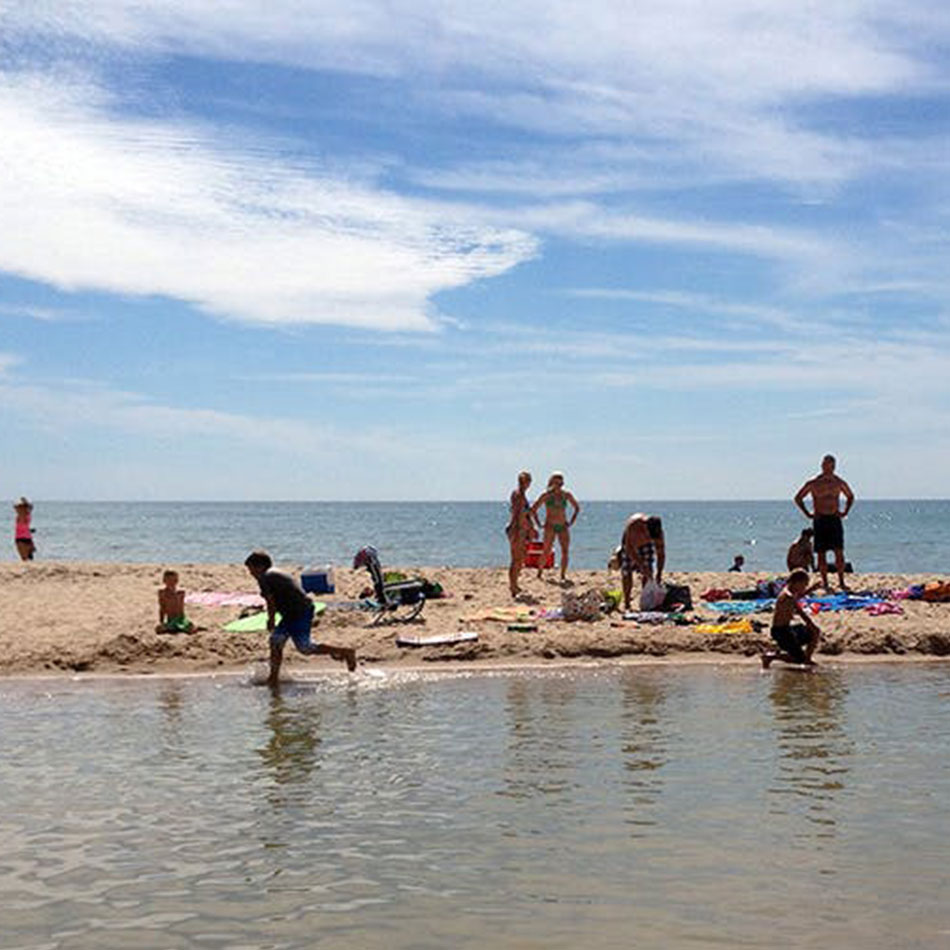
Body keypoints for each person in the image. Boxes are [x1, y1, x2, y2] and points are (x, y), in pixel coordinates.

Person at [244, 550, 356, 687]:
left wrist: (271, 620)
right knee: (275, 641)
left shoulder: (265, 577)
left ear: (260, 567)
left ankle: (346, 652)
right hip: (292, 613)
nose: (251, 574)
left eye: (251, 569)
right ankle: (273, 678)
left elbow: (270, 601)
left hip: (300, 612)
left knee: (305, 647)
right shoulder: (273, 573)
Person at [794, 455, 855, 591]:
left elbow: (850, 496)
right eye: (826, 464)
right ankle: (825, 582)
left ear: (834, 466)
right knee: (821, 553)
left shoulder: (838, 483)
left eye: (831, 465)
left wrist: (845, 511)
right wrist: (807, 513)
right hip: (820, 519)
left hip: (834, 519)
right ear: (822, 465)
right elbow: (798, 498)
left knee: (839, 552)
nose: (829, 467)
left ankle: (841, 581)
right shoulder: (814, 483)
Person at [761, 568, 821, 669]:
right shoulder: (787, 596)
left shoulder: (790, 591)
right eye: (804, 584)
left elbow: (797, 597)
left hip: (787, 629)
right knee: (798, 659)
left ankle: (807, 659)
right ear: (797, 582)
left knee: (814, 632)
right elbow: (801, 613)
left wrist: (811, 589)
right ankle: (770, 657)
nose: (804, 587)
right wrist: (811, 625)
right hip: (781, 632)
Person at [529, 472, 580, 583]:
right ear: (551, 482)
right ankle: (540, 572)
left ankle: (562, 575)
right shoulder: (546, 496)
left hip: (563, 526)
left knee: (565, 551)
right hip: (550, 526)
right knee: (546, 551)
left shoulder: (566, 495)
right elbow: (533, 510)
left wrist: (571, 522)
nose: (558, 484)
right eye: (556, 481)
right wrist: (538, 524)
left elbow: (577, 507)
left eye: (560, 482)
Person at [619, 513, 666, 611]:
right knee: (627, 573)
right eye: (647, 535)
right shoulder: (634, 525)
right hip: (630, 546)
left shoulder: (657, 532)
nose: (648, 537)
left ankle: (646, 600)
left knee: (648, 572)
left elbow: (661, 554)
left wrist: (659, 573)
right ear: (645, 525)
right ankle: (627, 602)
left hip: (646, 546)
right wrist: (641, 565)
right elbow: (629, 549)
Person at [505, 470, 538, 597]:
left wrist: (530, 528)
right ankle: (513, 586)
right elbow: (519, 515)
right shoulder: (518, 495)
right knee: (516, 559)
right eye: (526, 481)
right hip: (517, 530)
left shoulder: (521, 495)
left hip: (521, 530)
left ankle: (515, 584)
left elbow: (524, 515)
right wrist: (526, 529)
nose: (527, 484)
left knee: (521, 559)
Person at [156, 569, 196, 634]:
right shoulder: (162, 593)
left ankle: (180, 628)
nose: (172, 583)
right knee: (159, 629)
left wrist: (183, 619)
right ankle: (174, 628)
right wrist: (161, 621)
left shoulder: (180, 593)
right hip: (171, 619)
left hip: (181, 619)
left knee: (189, 627)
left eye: (174, 580)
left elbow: (181, 609)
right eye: (169, 581)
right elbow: (162, 608)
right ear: (164, 581)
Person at [13, 497, 35, 561]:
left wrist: (24, 502)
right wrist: (25, 502)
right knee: (26, 558)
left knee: (24, 558)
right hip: (26, 537)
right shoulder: (27, 514)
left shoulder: (23, 515)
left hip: (22, 537)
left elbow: (15, 506)